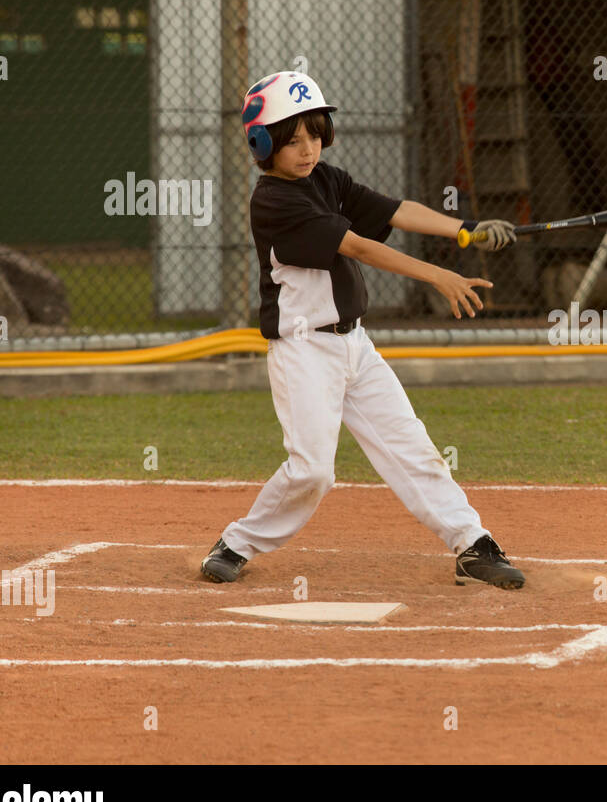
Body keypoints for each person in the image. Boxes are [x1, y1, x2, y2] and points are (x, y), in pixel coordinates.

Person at [200, 71, 527, 588]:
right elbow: (358, 246)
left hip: (356, 345)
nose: (307, 149)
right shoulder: (273, 201)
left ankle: (472, 544)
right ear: (263, 145)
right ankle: (236, 544)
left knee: (412, 446)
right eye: (291, 140)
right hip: (304, 350)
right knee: (312, 471)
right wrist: (439, 274)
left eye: (314, 133)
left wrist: (465, 230)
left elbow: (395, 211)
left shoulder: (328, 179)